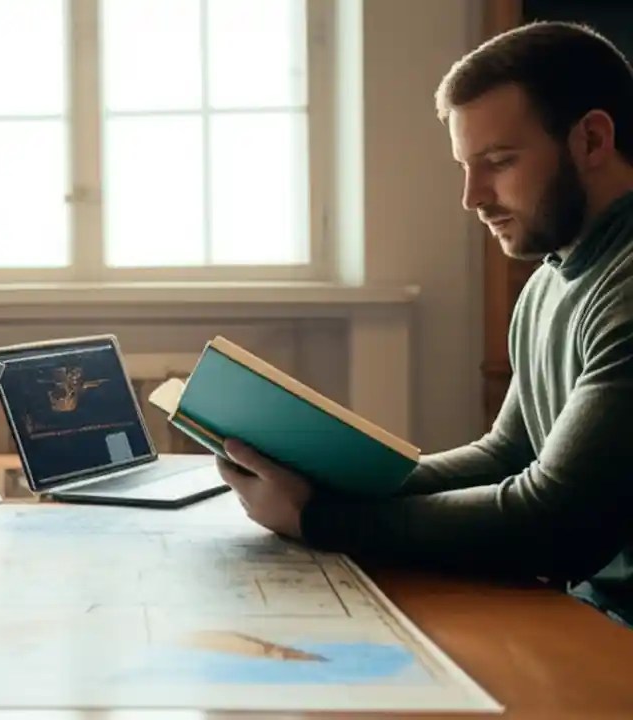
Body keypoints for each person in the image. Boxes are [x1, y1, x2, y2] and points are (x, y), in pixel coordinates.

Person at [215, 21, 633, 626]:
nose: (472, 196)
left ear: (592, 140)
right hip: (587, 613)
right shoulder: (547, 283)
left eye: (499, 161)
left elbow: (557, 522)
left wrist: (320, 519)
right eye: (466, 166)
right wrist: (333, 481)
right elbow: (506, 454)